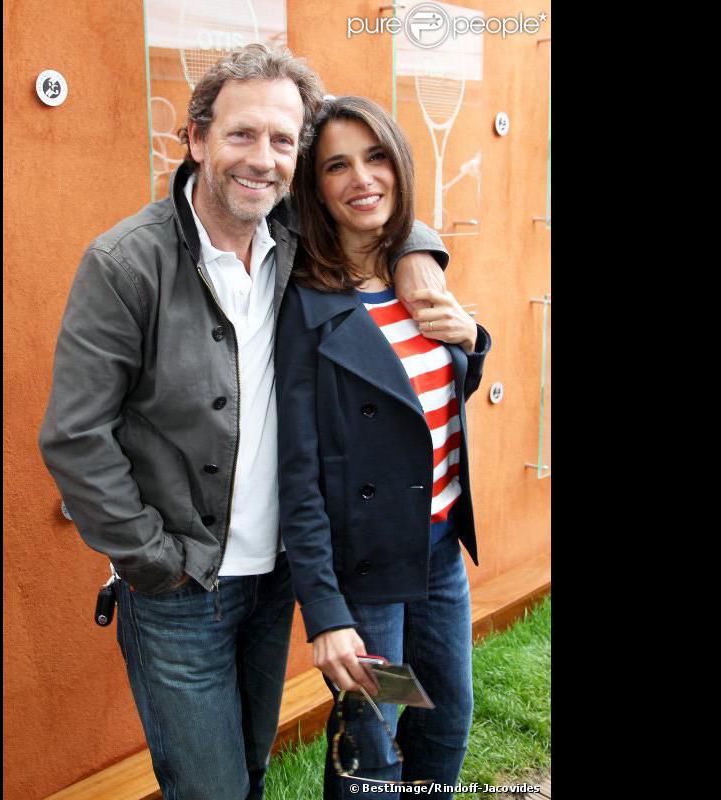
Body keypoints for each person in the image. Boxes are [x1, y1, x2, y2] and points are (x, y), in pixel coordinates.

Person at [38, 46, 451, 800]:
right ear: (195, 137)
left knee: (253, 771)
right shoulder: (126, 264)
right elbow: (74, 436)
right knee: (211, 789)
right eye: (241, 135)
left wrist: (423, 255)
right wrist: (153, 561)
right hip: (180, 588)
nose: (263, 159)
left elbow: (375, 201)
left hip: (275, 582)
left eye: (283, 141)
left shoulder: (293, 236)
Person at [275, 95, 492, 799]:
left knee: (446, 722)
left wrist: (473, 340)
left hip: (437, 553)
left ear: (398, 163)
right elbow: (298, 476)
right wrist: (326, 613)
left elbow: (427, 399)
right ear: (314, 184)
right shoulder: (303, 305)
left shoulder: (415, 275)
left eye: (375, 157)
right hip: (364, 572)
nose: (361, 178)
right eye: (337, 165)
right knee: (374, 750)